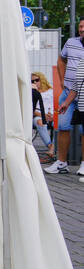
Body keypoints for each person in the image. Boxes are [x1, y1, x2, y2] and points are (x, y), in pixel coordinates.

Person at [45, 18, 84, 174]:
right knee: (63, 126)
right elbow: (61, 59)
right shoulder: (71, 42)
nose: (82, 29)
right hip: (68, 91)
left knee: (83, 129)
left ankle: (83, 164)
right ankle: (61, 163)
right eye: (81, 26)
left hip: (83, 94)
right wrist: (61, 81)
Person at [31, 71, 52, 157]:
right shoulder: (32, 93)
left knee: (61, 124)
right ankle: (51, 146)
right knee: (40, 121)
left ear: (42, 80)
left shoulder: (51, 91)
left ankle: (55, 149)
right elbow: (31, 109)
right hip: (38, 116)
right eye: (32, 81)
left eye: (37, 80)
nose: (35, 82)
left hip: (52, 115)